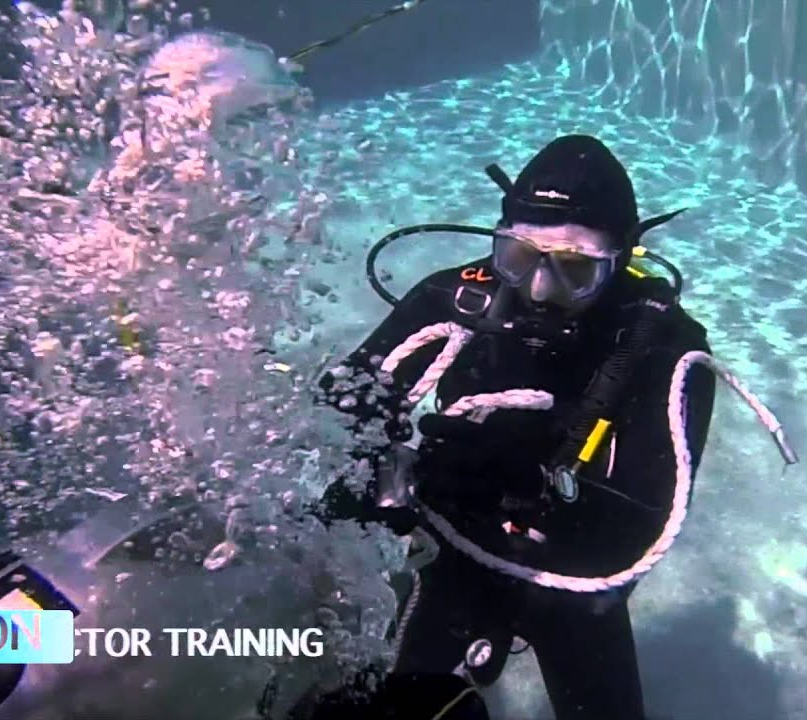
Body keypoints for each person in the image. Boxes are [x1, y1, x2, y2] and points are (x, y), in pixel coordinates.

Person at [309, 134, 720, 720]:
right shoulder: (453, 299)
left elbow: (641, 531)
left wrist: (528, 474)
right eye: (519, 258)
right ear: (497, 239)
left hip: (569, 586)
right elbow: (346, 407)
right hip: (449, 547)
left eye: (575, 269)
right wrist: (381, 474)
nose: (538, 289)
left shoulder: (663, 351)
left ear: (623, 258)